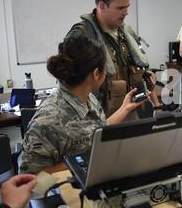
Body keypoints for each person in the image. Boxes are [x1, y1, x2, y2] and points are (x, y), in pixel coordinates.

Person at [19, 36, 149, 174]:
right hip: (68, 192)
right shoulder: (47, 121)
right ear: (96, 74)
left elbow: (98, 129)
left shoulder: (88, 97)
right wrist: (87, 163)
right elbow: (29, 177)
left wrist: (125, 108)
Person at [65, 0, 161, 116]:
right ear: (102, 6)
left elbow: (143, 72)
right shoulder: (81, 35)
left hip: (131, 114)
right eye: (121, 8)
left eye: (127, 7)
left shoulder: (127, 32)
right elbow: (68, 84)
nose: (126, 12)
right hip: (97, 118)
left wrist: (157, 106)